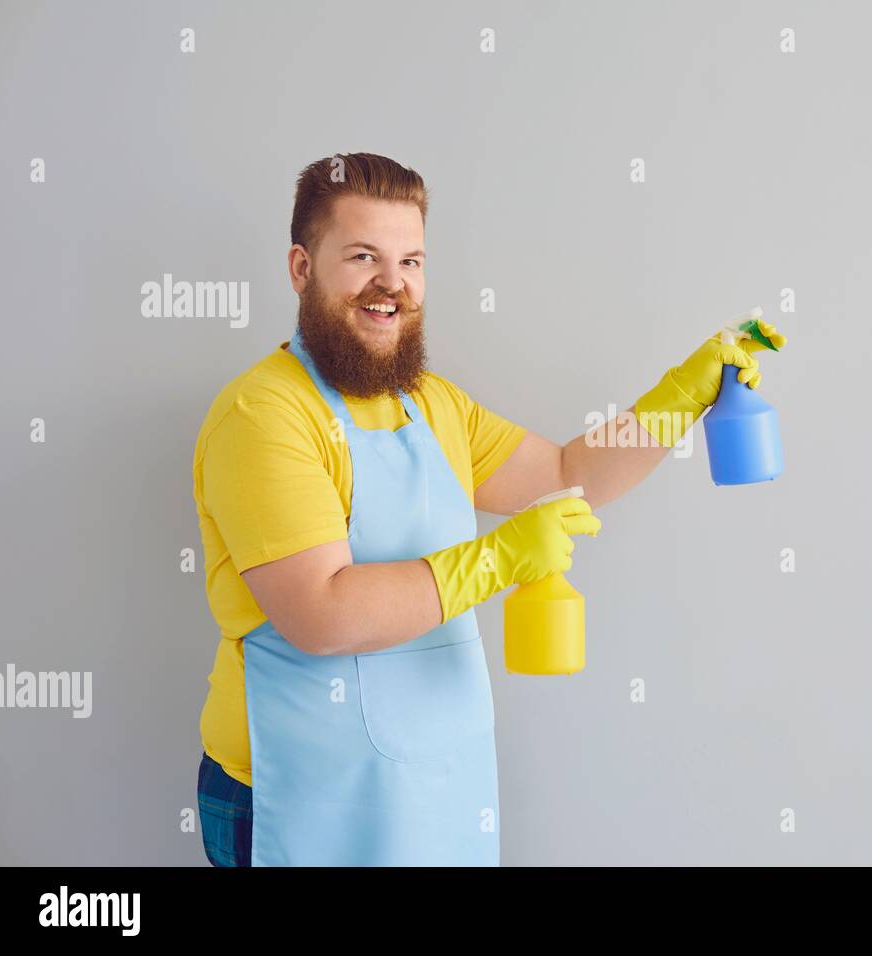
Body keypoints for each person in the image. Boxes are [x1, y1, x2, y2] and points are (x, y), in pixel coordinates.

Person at [192, 152, 787, 866]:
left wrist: (685, 393)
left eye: (411, 261)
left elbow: (567, 473)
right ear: (300, 268)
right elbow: (321, 615)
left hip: (434, 783)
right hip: (298, 794)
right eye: (363, 256)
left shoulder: (433, 405)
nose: (392, 283)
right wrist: (499, 559)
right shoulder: (264, 415)